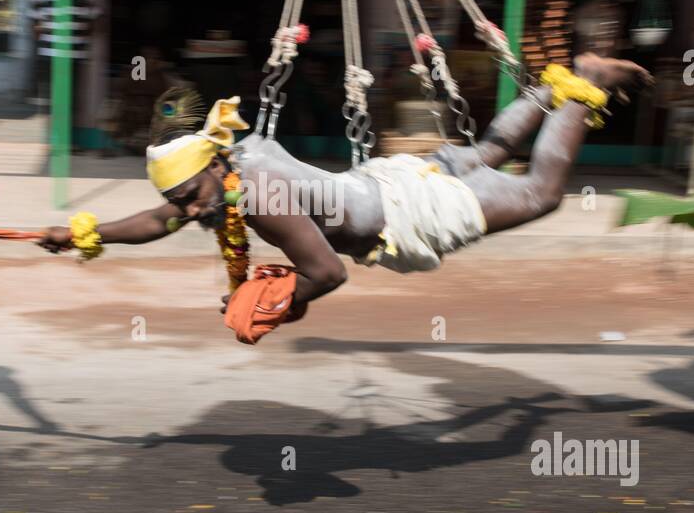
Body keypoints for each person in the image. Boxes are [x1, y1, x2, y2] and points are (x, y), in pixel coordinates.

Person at [38, 52, 651, 341]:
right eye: (185, 199)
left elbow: (328, 273)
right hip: (398, 180)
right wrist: (82, 233)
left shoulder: (258, 199)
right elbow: (158, 218)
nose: (192, 209)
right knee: (489, 153)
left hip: (412, 210)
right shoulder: (230, 163)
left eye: (194, 195)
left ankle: (583, 89)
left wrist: (272, 300)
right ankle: (560, 87)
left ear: (215, 166)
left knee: (542, 193)